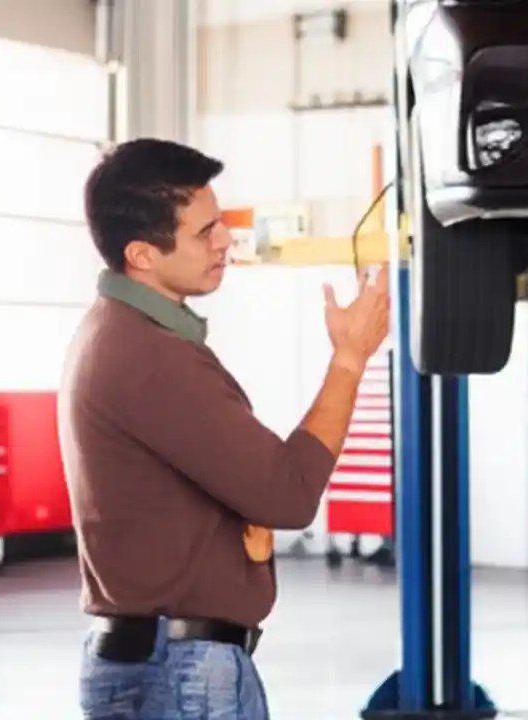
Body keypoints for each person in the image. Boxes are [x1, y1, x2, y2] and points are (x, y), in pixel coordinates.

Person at [58, 138, 390, 720]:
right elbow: (288, 493)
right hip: (184, 676)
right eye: (204, 231)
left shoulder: (109, 334)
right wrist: (349, 359)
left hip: (145, 660)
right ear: (142, 255)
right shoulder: (150, 356)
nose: (225, 241)